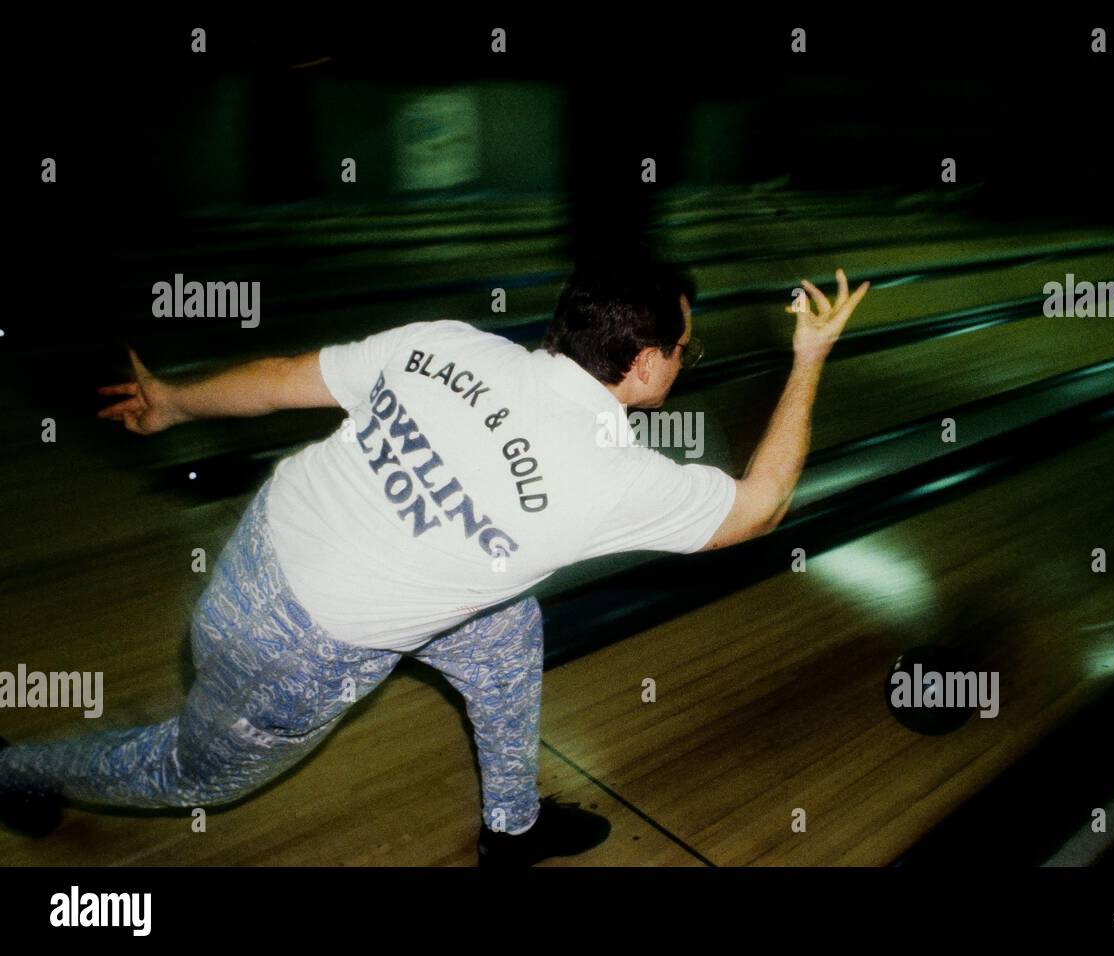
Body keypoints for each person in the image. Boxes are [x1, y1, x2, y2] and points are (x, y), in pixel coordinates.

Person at [0, 258, 870, 866]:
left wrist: (175, 403)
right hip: (296, 650)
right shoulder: (613, 480)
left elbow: (279, 378)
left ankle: (512, 827)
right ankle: (13, 770)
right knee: (189, 774)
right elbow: (761, 508)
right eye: (686, 348)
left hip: (265, 544)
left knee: (504, 628)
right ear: (644, 367)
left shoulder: (447, 343)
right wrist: (810, 360)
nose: (687, 359)